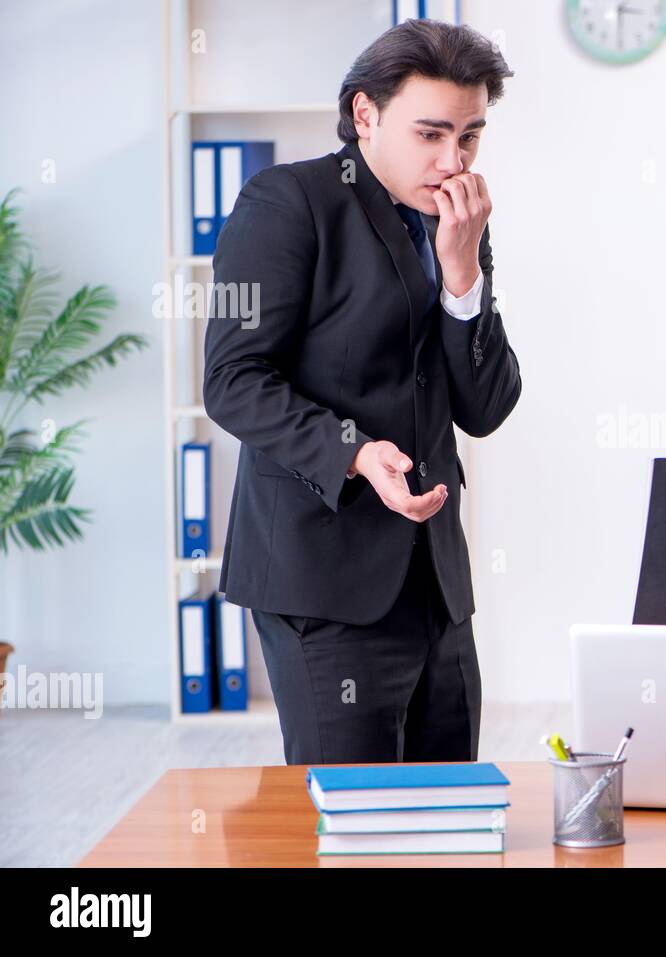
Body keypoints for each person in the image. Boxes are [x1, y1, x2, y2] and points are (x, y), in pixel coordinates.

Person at [203, 20, 520, 764]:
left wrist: (463, 275)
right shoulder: (284, 203)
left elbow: (485, 406)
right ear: (365, 115)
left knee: (448, 812)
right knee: (353, 817)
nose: (453, 161)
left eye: (471, 137)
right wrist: (354, 454)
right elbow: (232, 379)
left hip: (437, 583)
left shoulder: (459, 222)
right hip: (324, 580)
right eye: (431, 133)